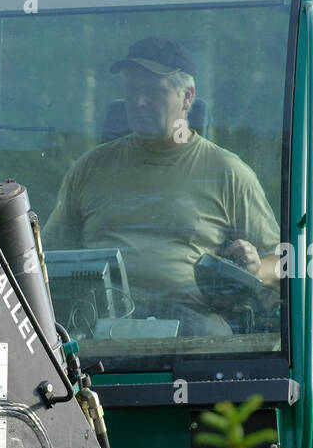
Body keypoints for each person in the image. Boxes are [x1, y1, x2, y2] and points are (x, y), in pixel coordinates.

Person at [43, 37, 282, 336]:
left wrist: (255, 269)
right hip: (95, 325)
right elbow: (45, 258)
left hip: (190, 324)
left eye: (155, 91)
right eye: (132, 91)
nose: (140, 102)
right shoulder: (89, 168)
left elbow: (281, 265)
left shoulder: (227, 172)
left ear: (187, 97)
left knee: (213, 336)